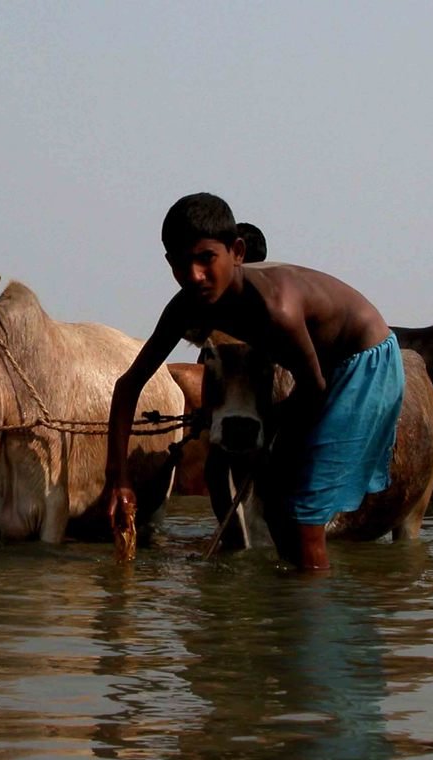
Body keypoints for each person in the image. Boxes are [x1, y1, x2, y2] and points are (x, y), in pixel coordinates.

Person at [105, 192, 402, 570]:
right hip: (321, 368)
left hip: (363, 361)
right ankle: (289, 590)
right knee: (274, 497)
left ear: (237, 252)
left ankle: (313, 600)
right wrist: (120, 479)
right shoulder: (185, 307)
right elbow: (128, 386)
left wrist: (277, 437)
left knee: (305, 510)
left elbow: (313, 388)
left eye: (206, 258)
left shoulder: (275, 309)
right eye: (181, 264)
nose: (194, 275)